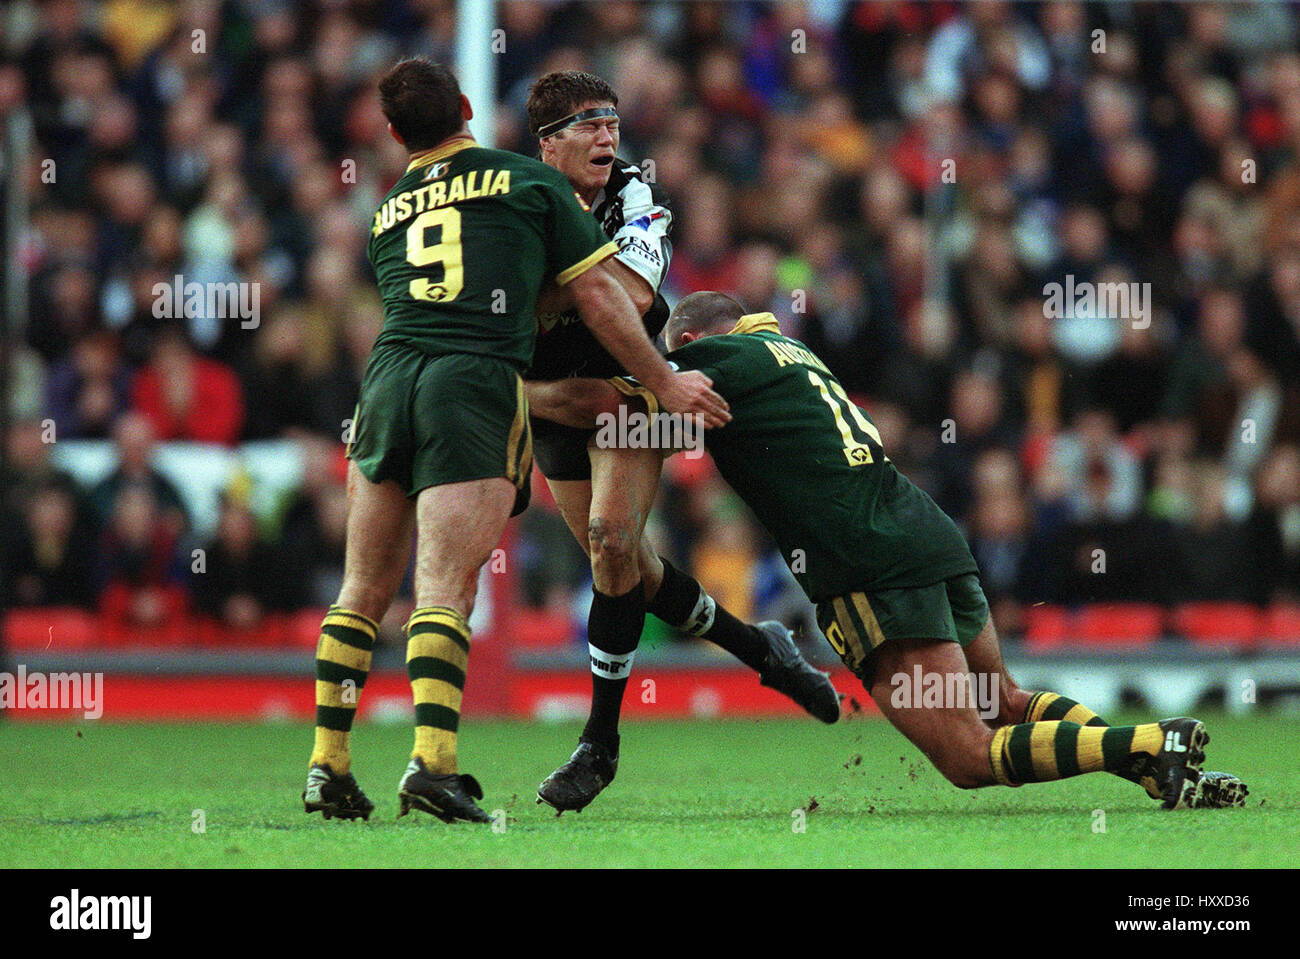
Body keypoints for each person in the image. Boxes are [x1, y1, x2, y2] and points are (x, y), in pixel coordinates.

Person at [526, 291, 1249, 811]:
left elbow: (606, 406)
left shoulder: (714, 361)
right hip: (929, 535)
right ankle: (1151, 767)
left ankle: (1148, 741)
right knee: (1002, 700)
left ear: (689, 341)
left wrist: (516, 388)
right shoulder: (791, 353)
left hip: (867, 565)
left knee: (969, 756)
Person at [302, 58, 729, 825]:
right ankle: (432, 765)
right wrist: (663, 381)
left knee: (360, 588)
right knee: (444, 585)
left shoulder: (387, 210)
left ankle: (327, 763)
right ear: (468, 109)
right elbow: (603, 293)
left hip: (388, 378)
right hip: (469, 384)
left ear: (395, 133)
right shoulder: (526, 182)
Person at [521, 71, 838, 814]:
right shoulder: (516, 205)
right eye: (589, 124)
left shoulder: (634, 197)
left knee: (611, 540)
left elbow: (630, 295)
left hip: (631, 390)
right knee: (629, 568)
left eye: (612, 122)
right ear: (548, 144)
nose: (607, 137)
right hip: (554, 404)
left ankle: (599, 744)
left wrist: (540, 291)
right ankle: (760, 647)